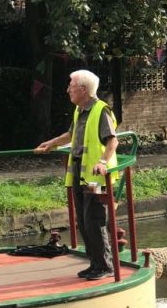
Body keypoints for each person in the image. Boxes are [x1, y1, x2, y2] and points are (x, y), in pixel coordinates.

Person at [35, 70, 118, 281]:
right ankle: (95, 264)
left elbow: (112, 141)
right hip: (80, 172)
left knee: (94, 220)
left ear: (83, 89)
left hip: (96, 176)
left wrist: (102, 162)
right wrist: (51, 143)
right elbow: (71, 135)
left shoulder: (101, 110)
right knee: (82, 220)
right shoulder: (79, 110)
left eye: (71, 86)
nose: (68, 90)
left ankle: (105, 265)